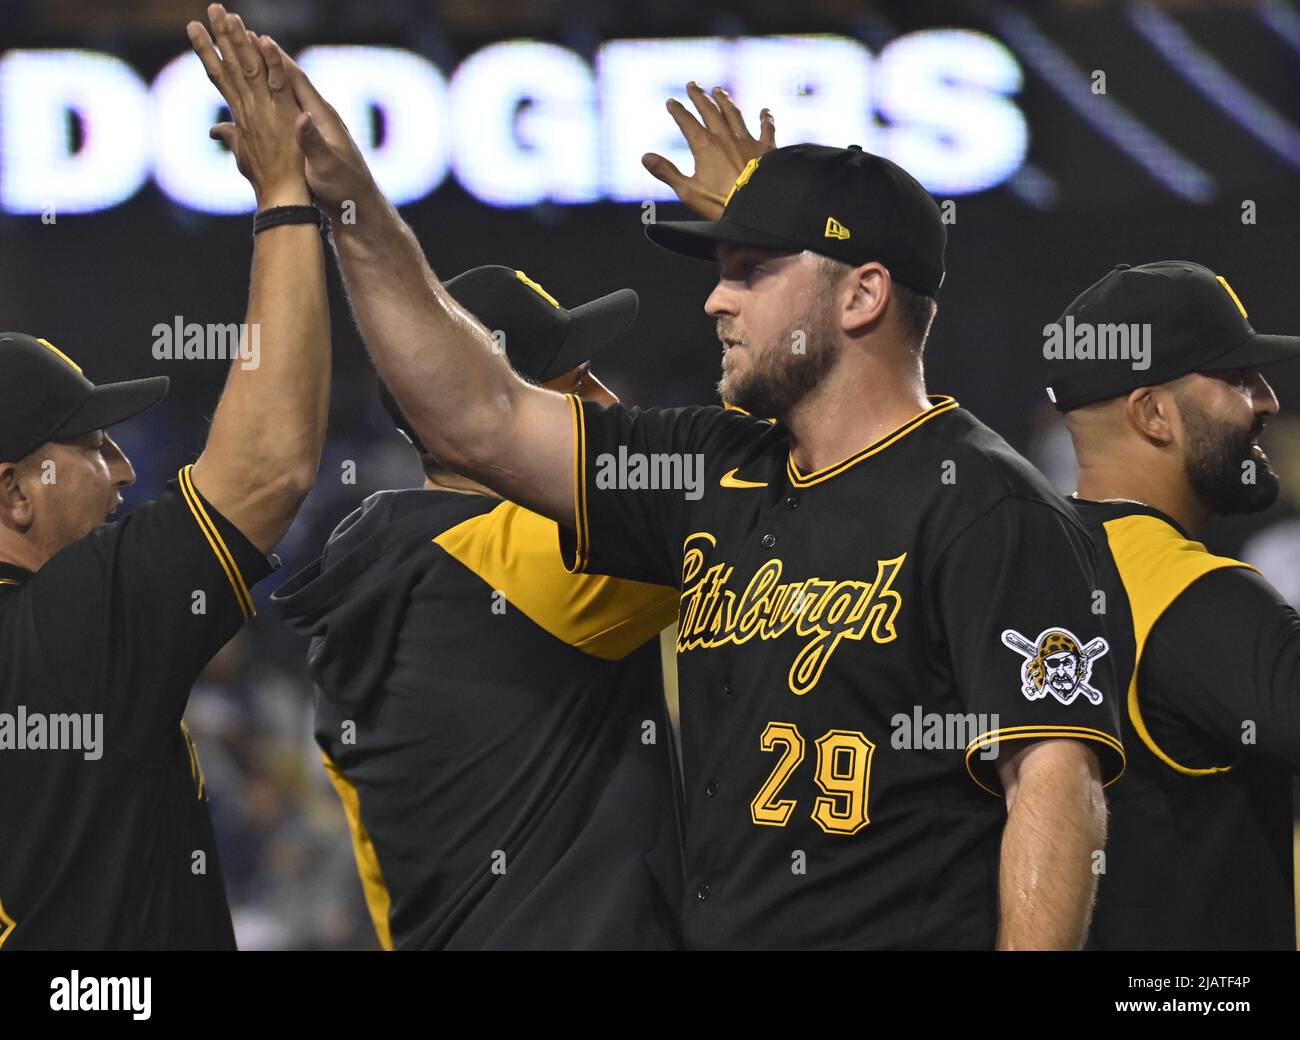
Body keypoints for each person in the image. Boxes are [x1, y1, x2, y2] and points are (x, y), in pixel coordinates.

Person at [260, 44, 1124, 949]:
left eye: (748, 271)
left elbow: (1055, 785)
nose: (712, 300)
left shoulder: (989, 509)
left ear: (864, 295)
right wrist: (350, 205)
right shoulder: (710, 469)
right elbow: (478, 412)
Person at [0, 3, 329, 949]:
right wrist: (285, 200)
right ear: (14, 493)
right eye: (92, 447)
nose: (124, 468)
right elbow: (267, 470)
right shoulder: (61, 628)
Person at [273, 266, 684, 949]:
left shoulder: (369, 589)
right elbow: (751, 495)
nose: (610, 404)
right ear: (488, 417)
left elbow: (382, 889)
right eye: (577, 384)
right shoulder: (528, 556)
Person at [1044, 260, 1300, 950]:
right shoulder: (1187, 592)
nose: (1268, 401)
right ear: (1153, 413)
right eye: (1238, 379)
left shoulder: (1016, 565)